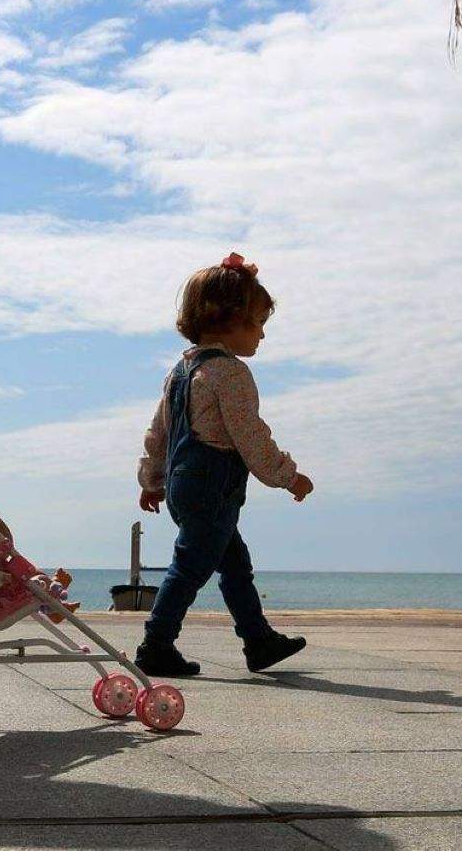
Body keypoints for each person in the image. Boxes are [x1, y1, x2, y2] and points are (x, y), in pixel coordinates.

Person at [133, 253, 313, 678]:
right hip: (212, 485)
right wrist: (288, 476)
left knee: (233, 563)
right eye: (258, 323)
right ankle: (155, 644)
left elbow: (158, 431)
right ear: (230, 320)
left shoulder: (180, 372)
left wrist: (151, 479)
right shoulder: (230, 374)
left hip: (184, 482)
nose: (263, 335)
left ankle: (259, 640)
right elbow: (251, 436)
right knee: (191, 565)